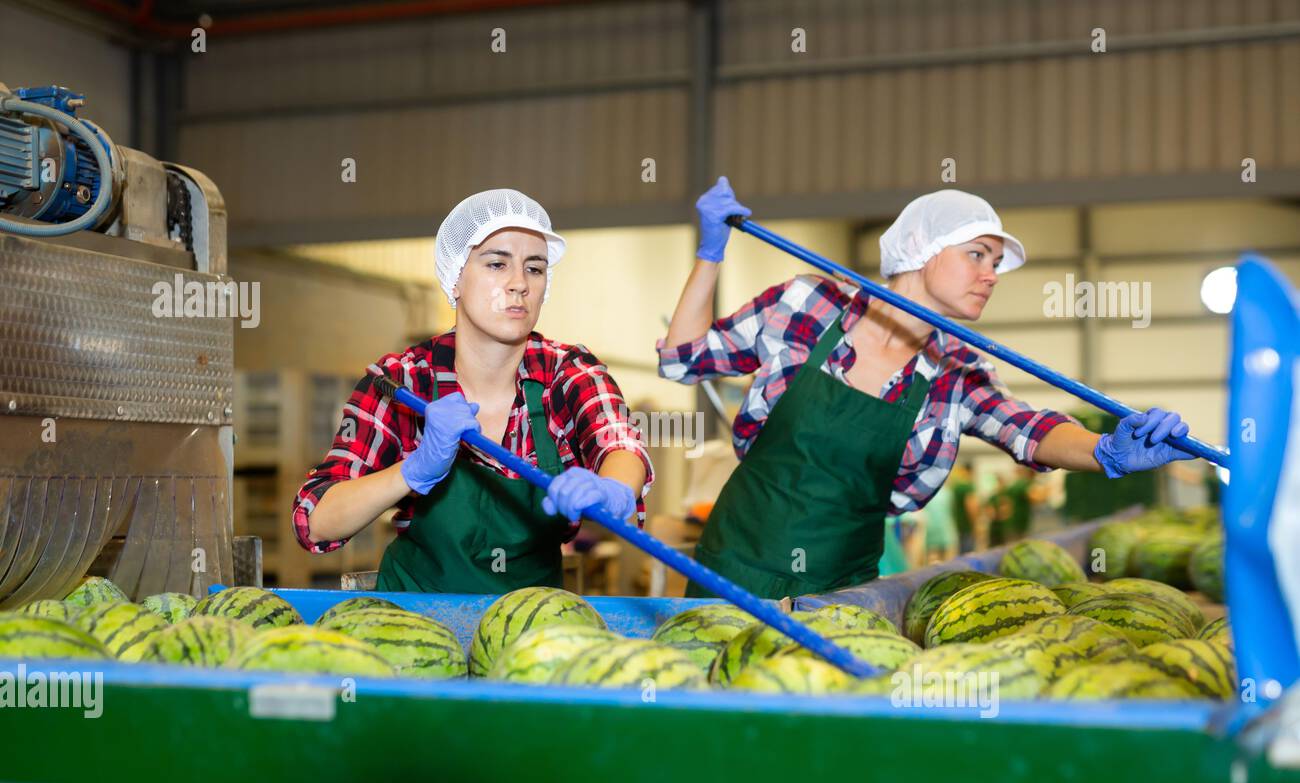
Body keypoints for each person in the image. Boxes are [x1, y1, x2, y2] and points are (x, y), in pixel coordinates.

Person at [659, 180, 1194, 599]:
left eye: (996, 263)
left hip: (840, 593)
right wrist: (711, 252)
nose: (992, 275)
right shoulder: (808, 304)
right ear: (921, 247)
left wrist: (1106, 451)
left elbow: (1025, 428)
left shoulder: (957, 368)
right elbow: (682, 359)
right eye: (978, 254)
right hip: (730, 571)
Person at [293, 188, 653, 593]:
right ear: (455, 277)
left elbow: (618, 444)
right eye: (497, 264)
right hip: (417, 622)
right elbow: (315, 521)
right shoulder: (404, 381)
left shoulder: (567, 373)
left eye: (534, 269)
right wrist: (412, 471)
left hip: (529, 627)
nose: (518, 284)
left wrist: (614, 489)